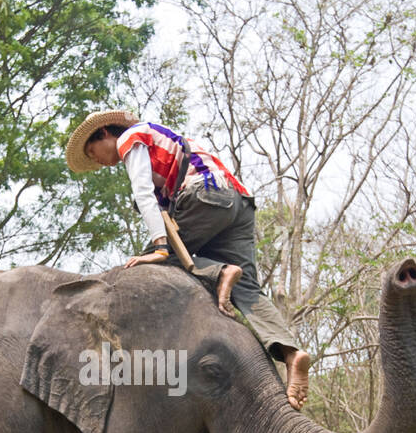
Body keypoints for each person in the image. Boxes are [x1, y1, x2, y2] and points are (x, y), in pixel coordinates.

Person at [64, 109, 312, 409]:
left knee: (145, 270)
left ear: (104, 133)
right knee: (247, 289)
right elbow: (167, 210)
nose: (97, 161)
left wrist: (158, 248)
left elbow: (142, 193)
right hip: (236, 201)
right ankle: (290, 353)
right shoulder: (165, 143)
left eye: (93, 152)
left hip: (203, 194)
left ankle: (219, 273)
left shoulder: (131, 137)